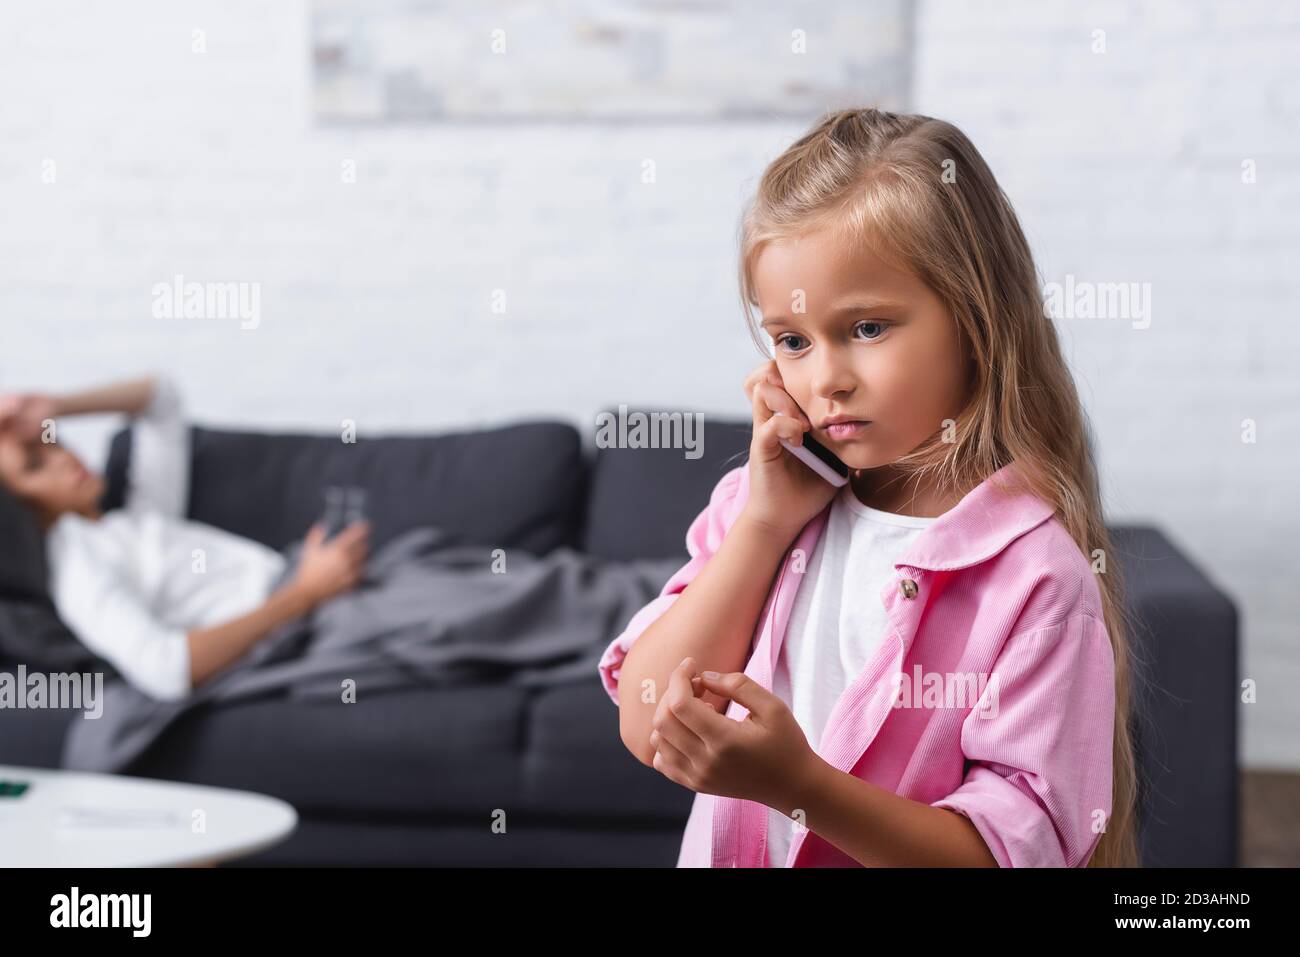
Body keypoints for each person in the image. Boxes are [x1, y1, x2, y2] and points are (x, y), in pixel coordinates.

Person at [598, 108, 1140, 867]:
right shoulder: (760, 508)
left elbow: (1012, 854)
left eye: (867, 328)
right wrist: (765, 525)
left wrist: (800, 788)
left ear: (978, 317)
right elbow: (647, 721)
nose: (827, 379)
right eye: (793, 340)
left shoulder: (1033, 576)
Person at [0, 376, 370, 701]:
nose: (63, 459)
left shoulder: (130, 520)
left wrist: (57, 406)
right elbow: (167, 670)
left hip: (314, 592)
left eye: (53, 442)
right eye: (35, 465)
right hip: (296, 622)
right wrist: (305, 594)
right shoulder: (77, 568)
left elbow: (161, 398)